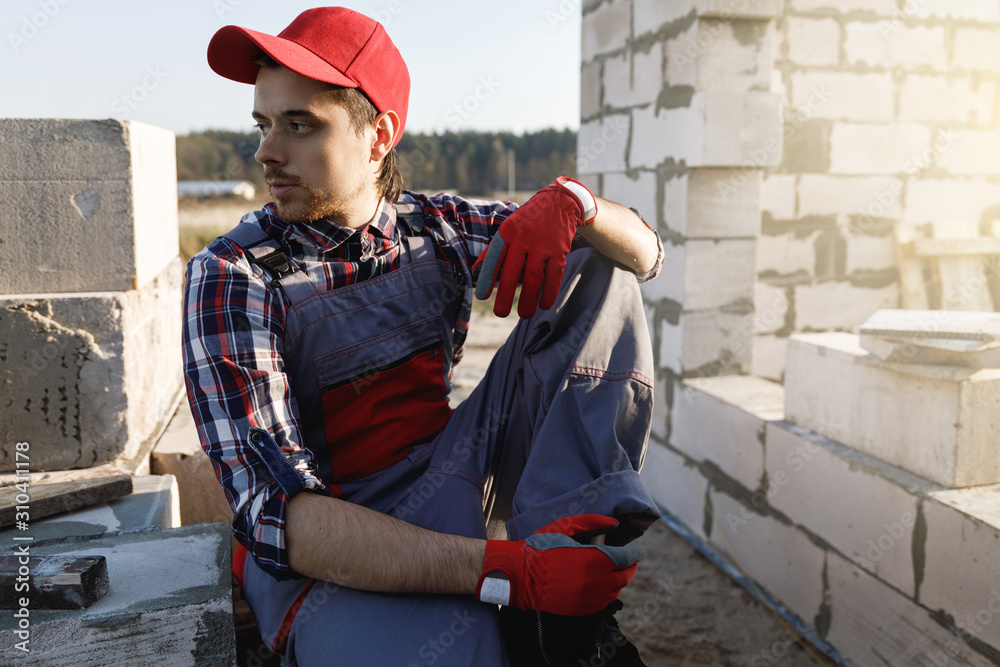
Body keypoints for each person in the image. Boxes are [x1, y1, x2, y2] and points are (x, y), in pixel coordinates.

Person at [183, 6, 665, 666]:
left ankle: (563, 559)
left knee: (598, 267)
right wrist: (506, 574)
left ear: (378, 135)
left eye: (299, 125)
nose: (267, 151)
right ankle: (530, 587)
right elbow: (284, 520)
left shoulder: (433, 229)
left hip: (448, 474)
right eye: (264, 124)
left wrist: (574, 202)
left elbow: (644, 254)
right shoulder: (233, 276)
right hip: (330, 547)